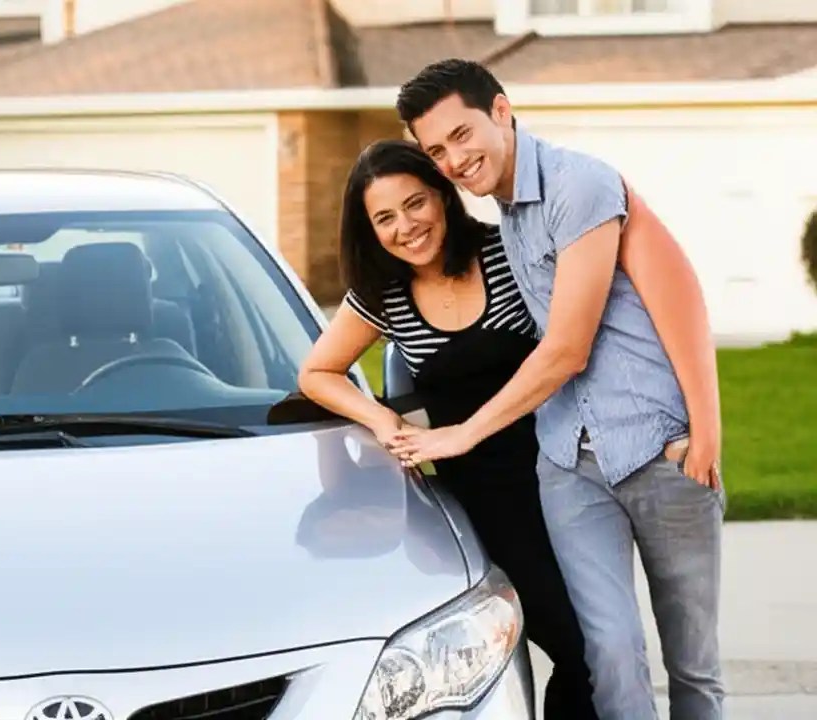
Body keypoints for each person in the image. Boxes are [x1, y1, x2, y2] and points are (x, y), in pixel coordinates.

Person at [387, 58, 725, 720]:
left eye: (461, 135)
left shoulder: (582, 185)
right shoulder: (507, 218)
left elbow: (576, 345)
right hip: (569, 463)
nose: (453, 159)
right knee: (609, 652)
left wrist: (705, 426)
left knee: (694, 662)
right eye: (435, 150)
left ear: (502, 112)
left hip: (660, 451)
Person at [297, 139, 600, 720]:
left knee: (599, 646)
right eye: (384, 217)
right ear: (368, 228)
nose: (406, 227)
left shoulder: (508, 252)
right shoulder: (385, 294)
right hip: (487, 502)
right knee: (577, 646)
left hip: (566, 478)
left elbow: (573, 344)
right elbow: (317, 373)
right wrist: (381, 418)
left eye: (415, 203)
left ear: (442, 195)